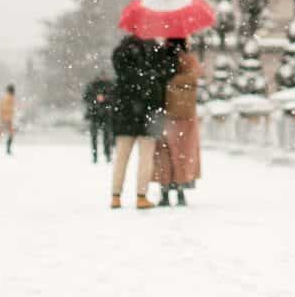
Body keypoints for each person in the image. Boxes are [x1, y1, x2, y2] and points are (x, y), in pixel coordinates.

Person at [110, 35, 175, 210]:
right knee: (146, 157)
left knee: (121, 157)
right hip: (151, 110)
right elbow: (169, 72)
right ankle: (141, 196)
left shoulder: (121, 51)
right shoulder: (156, 51)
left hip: (125, 111)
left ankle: (116, 196)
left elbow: (120, 74)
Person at [153, 38, 204, 207]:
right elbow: (195, 78)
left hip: (163, 113)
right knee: (183, 153)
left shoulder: (159, 58)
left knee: (163, 154)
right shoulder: (188, 61)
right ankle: (181, 190)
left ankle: (165, 191)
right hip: (184, 116)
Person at [83, 72, 115, 163]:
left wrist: (104, 99)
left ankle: (107, 154)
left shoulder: (109, 86)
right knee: (95, 136)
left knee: (106, 136)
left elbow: (113, 99)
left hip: (105, 114)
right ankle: (96, 155)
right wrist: (96, 100)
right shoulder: (93, 86)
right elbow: (86, 98)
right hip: (95, 114)